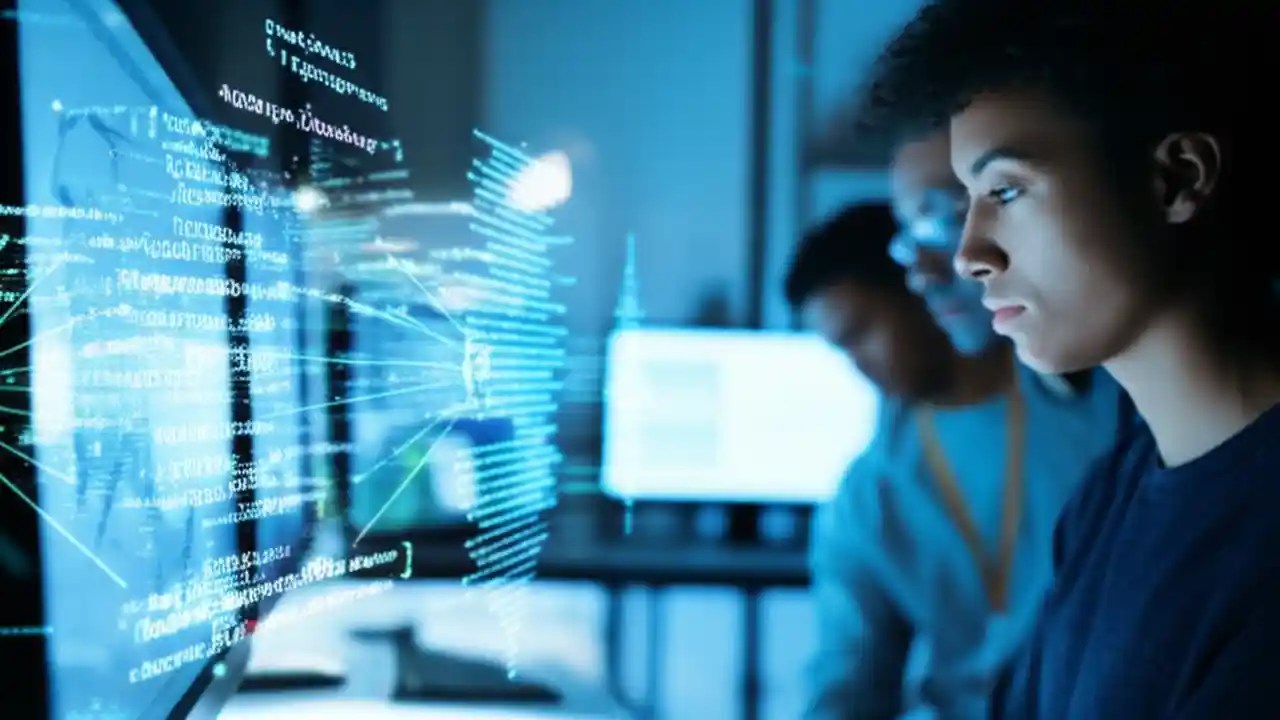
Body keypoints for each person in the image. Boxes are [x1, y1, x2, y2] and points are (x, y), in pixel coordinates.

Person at [857, 0, 1280, 716]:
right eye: (967, 200)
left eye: (1007, 191)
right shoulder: (1109, 497)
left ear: (1177, 178)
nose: (970, 254)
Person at [786, 201, 1125, 719]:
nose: (859, 365)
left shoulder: (1096, 406)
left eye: (861, 332)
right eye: (841, 349)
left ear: (916, 290)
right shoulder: (868, 497)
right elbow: (847, 676)